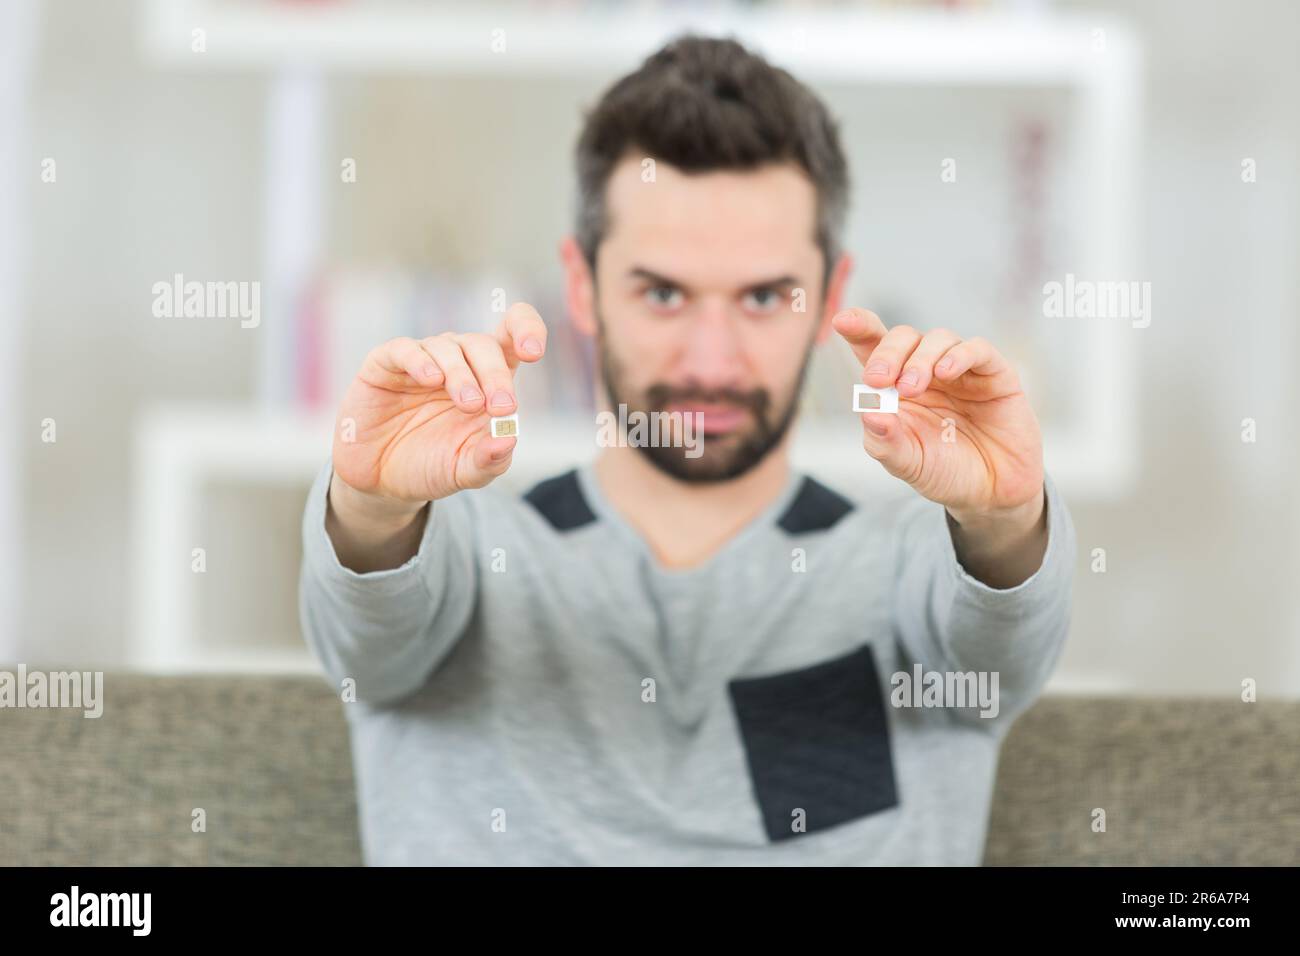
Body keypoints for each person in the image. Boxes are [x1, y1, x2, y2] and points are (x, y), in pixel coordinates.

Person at [299, 35, 1076, 865]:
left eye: (765, 295)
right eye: (663, 292)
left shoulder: (911, 571)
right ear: (581, 287)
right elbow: (372, 630)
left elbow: (998, 636)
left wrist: (1004, 522)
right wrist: (374, 510)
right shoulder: (465, 556)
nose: (712, 360)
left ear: (830, 298)